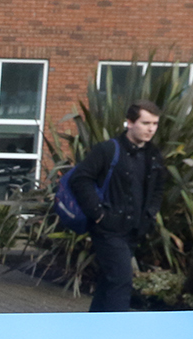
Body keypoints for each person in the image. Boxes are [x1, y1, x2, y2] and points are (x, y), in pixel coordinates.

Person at [68, 100, 166, 312]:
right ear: (129, 123)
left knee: (109, 282)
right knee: (121, 281)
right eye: (145, 123)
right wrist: (98, 214)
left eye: (155, 124)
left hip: (134, 230)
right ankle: (115, 336)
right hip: (107, 229)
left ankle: (93, 332)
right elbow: (80, 179)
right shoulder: (108, 149)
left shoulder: (154, 155)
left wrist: (149, 215)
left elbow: (159, 188)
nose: (151, 129)